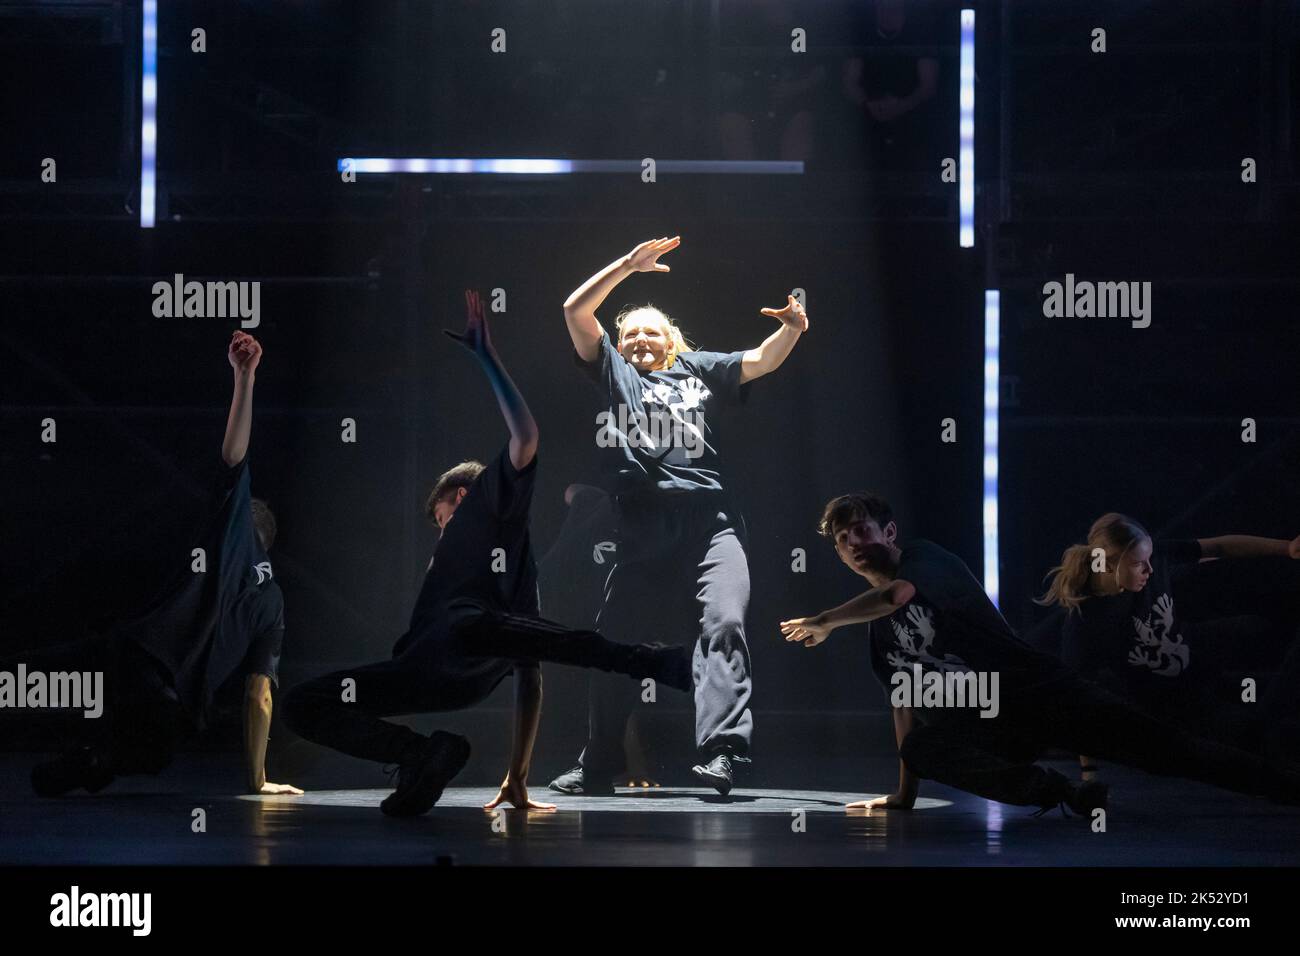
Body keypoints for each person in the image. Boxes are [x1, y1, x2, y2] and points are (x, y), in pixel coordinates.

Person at [282, 291, 691, 817]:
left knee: (514, 632)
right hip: (436, 668)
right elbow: (532, 669)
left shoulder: (484, 508)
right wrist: (517, 777)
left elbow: (525, 437)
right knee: (302, 703)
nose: (441, 531)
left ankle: (652, 660)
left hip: (460, 646)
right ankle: (420, 755)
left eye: (440, 518)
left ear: (459, 498)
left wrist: (486, 357)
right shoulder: (507, 571)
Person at [779, 492, 1300, 815]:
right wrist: (903, 797)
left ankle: (1285, 787)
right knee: (919, 746)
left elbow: (897, 595)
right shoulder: (880, 633)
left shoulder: (926, 560)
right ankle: (1060, 794)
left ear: (888, 533)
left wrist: (825, 620)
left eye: (862, 531)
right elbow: (905, 701)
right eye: (843, 539)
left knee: (1172, 752)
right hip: (996, 726)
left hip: (1040, 693)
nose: (854, 543)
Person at [548, 235, 808, 797]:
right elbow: (575, 310)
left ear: (672, 342)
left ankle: (723, 753)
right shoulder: (614, 373)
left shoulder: (699, 368)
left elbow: (762, 361)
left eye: (652, 331)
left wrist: (791, 328)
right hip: (642, 527)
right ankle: (598, 765)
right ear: (619, 345)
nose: (640, 338)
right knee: (612, 647)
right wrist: (627, 266)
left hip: (710, 522)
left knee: (725, 623)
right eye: (630, 332)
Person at [7, 331, 298, 797]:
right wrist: (258, 780)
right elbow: (259, 695)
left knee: (32, 677)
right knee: (151, 753)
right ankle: (94, 757)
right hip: (170, 702)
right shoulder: (275, 603)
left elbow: (232, 458)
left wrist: (244, 379)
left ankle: (88, 750)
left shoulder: (233, 527)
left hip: (136, 654)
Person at [1039, 513, 1300, 768]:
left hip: (1204, 676)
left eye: (1150, 558)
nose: (1150, 569)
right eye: (1138, 563)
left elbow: (1219, 546)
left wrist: (1287, 548)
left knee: (1261, 642)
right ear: (1107, 564)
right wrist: (1089, 773)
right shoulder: (1087, 622)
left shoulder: (1150, 558)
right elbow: (1080, 702)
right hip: (1177, 713)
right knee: (1259, 735)